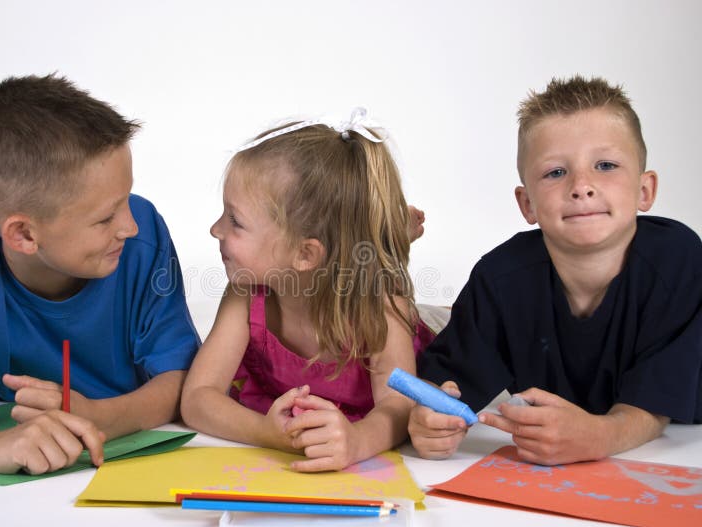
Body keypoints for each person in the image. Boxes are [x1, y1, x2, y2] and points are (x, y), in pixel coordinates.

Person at [0, 74, 199, 474]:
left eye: (126, 199)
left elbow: (183, 380)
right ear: (24, 234)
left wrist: (101, 416)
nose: (130, 226)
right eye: (105, 217)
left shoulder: (142, 239)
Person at [410, 75, 702, 466]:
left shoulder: (677, 259)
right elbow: (447, 383)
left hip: (682, 441)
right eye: (556, 173)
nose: (582, 186)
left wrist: (596, 436)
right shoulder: (500, 280)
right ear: (527, 203)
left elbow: (655, 407)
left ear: (645, 190)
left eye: (606, 165)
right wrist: (431, 417)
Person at [181, 110, 435, 472]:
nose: (215, 230)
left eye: (235, 221)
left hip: (397, 312)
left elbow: (399, 404)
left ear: (304, 253)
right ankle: (386, 239)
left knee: (404, 297)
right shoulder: (245, 295)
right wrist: (267, 433)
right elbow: (197, 399)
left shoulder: (379, 305)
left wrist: (357, 442)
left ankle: (391, 243)